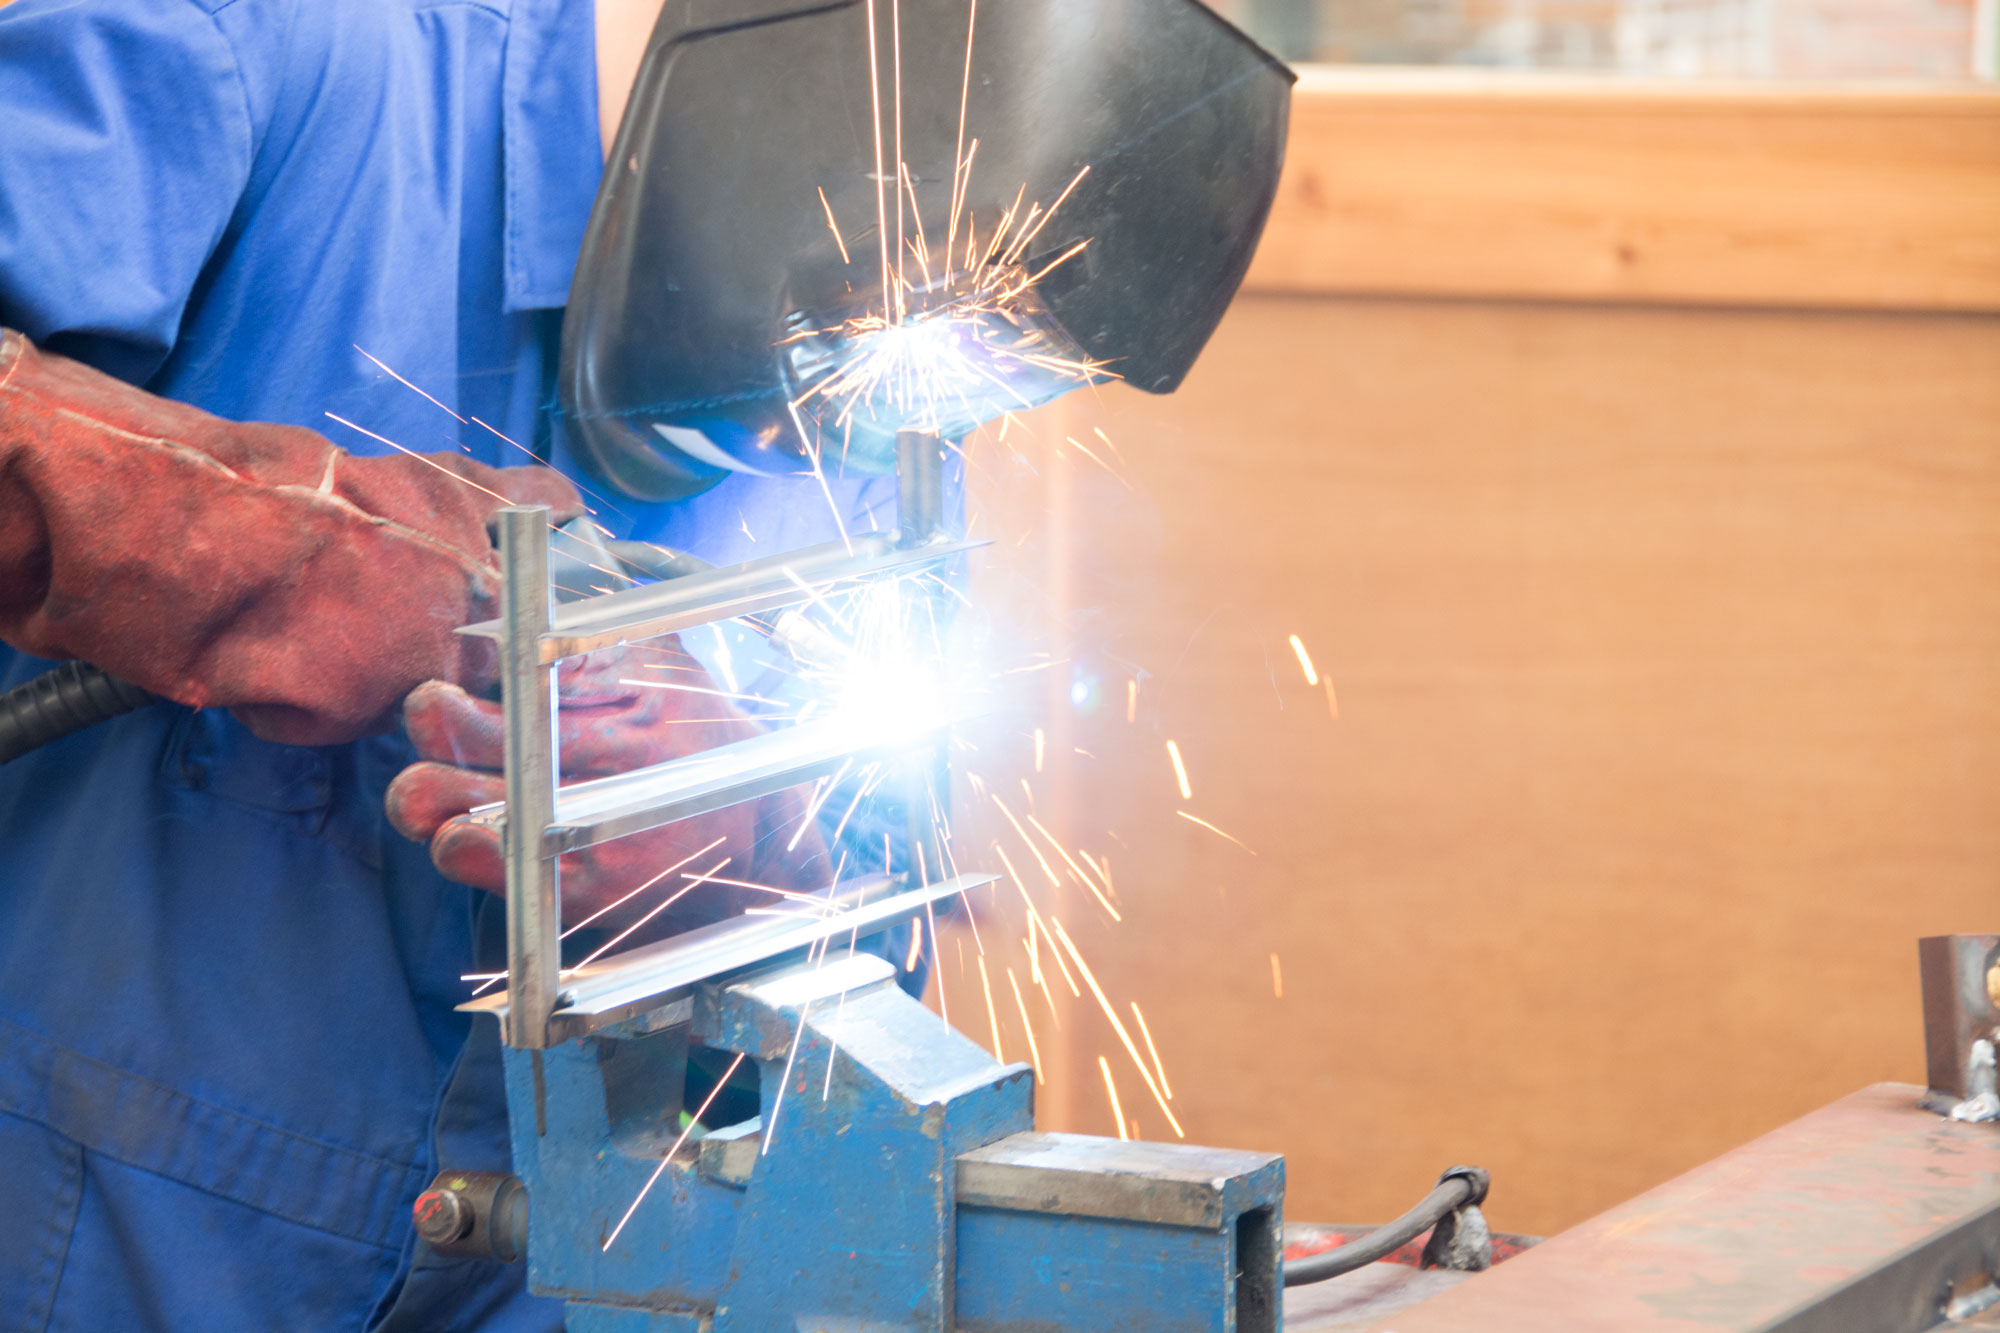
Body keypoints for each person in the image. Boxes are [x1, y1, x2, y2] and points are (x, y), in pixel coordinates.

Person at [0, 1, 894, 1326]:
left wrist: (763, 876)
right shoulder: (251, 51)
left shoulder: (877, 389)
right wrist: (270, 544)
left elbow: (903, 890)